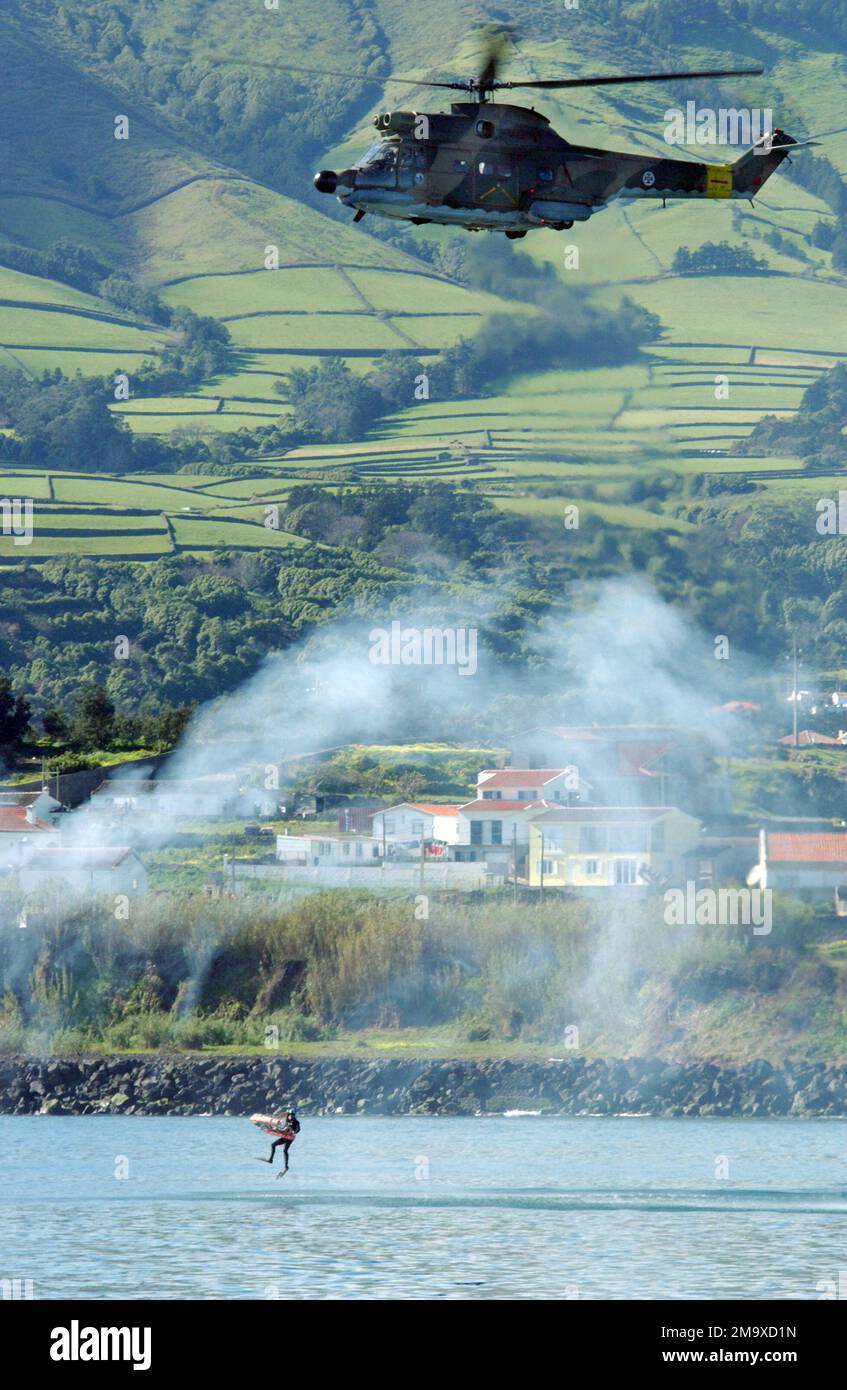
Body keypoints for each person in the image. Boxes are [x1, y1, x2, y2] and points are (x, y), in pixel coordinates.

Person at [261, 1109, 300, 1174]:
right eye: (289, 1114)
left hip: (290, 1138)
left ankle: (284, 1165)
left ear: (294, 1115)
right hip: (286, 1136)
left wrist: (295, 1131)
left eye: (292, 1115)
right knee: (275, 1146)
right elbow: (284, 1128)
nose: (290, 1116)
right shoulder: (288, 1120)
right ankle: (272, 1160)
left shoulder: (296, 1122)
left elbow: (298, 1129)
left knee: (283, 1150)